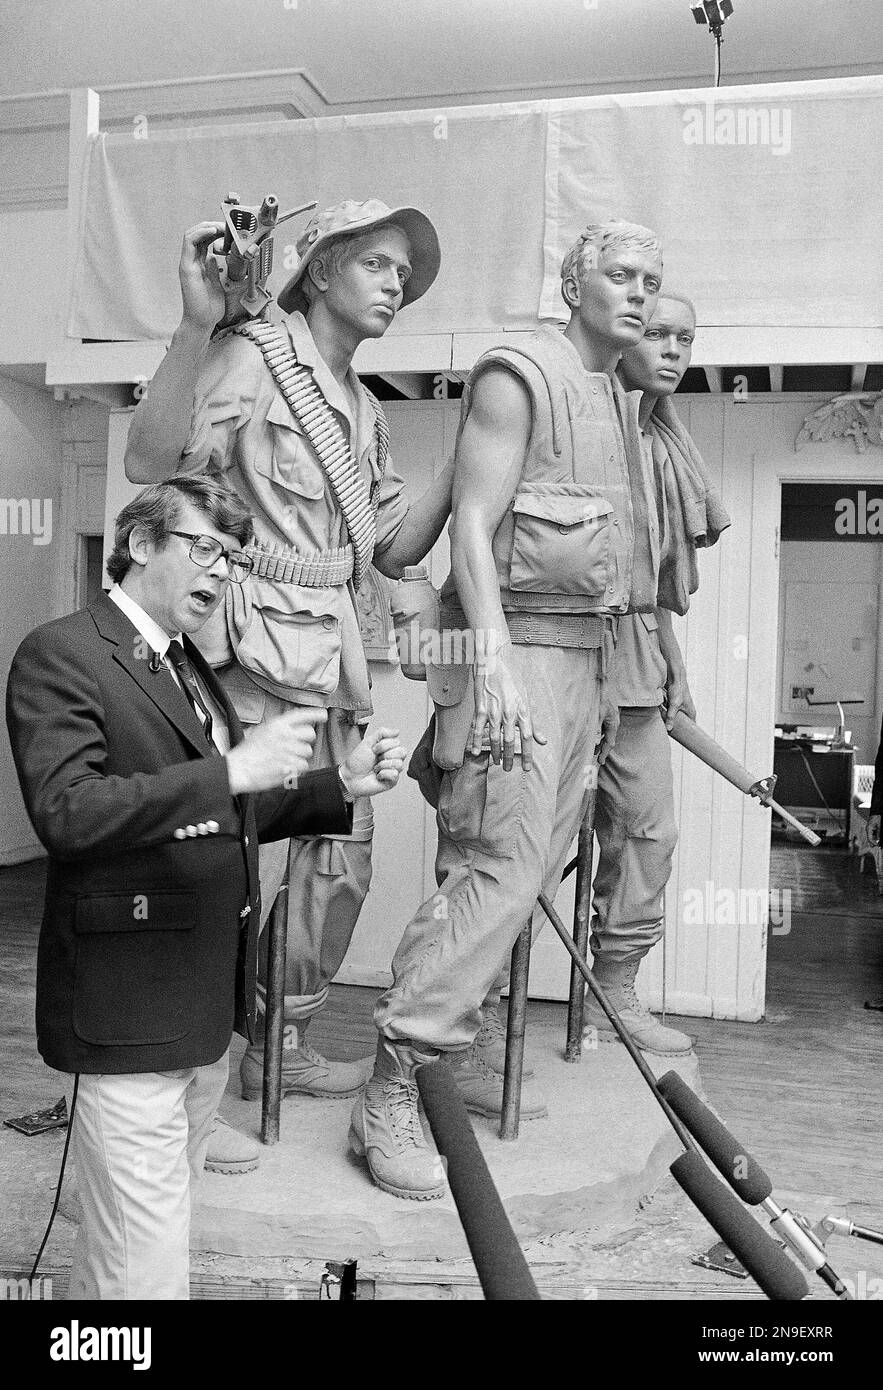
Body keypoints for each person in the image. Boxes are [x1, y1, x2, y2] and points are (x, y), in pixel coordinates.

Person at [5, 477, 406, 1299]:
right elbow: (68, 812)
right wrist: (228, 770)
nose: (220, 574)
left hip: (200, 1009)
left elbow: (229, 806)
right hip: (127, 1010)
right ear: (143, 543)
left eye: (230, 561)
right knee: (145, 1264)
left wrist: (340, 785)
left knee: (129, 1249)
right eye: (205, 550)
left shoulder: (183, 661)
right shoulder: (64, 651)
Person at [351, 219, 667, 1200]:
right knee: (503, 861)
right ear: (573, 282)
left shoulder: (613, 397)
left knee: (508, 865)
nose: (639, 293)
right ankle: (393, 1083)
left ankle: (438, 1052)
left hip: (579, 659)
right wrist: (485, 661)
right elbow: (476, 531)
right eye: (619, 273)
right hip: (512, 650)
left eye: (651, 280)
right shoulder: (516, 371)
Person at [125, 199, 453, 1111]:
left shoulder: (359, 405)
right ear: (319, 269)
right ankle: (190, 1077)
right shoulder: (253, 359)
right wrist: (196, 328)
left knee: (338, 862)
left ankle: (277, 1041)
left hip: (329, 660)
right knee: (225, 867)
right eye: (378, 263)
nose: (395, 284)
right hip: (245, 657)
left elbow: (387, 544)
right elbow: (152, 463)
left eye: (402, 273)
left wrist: (469, 462)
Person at [583, 293, 730, 1054]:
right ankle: (474, 1029)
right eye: (659, 333)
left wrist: (669, 654)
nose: (674, 349)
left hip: (637, 661)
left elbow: (652, 578)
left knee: (648, 835)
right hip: (564, 654)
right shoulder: (574, 423)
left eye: (686, 336)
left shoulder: (663, 443)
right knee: (520, 849)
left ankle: (611, 994)